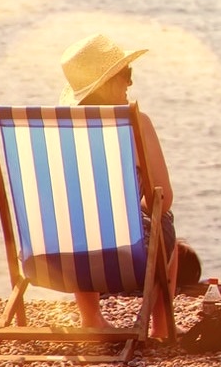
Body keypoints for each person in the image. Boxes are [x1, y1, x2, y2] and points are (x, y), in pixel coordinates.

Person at [58, 34, 179, 340]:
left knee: (76, 220)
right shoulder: (136, 123)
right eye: (126, 75)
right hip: (124, 256)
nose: (130, 84)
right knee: (164, 224)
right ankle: (161, 329)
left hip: (55, 254)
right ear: (108, 82)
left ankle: (92, 318)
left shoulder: (54, 130)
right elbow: (162, 199)